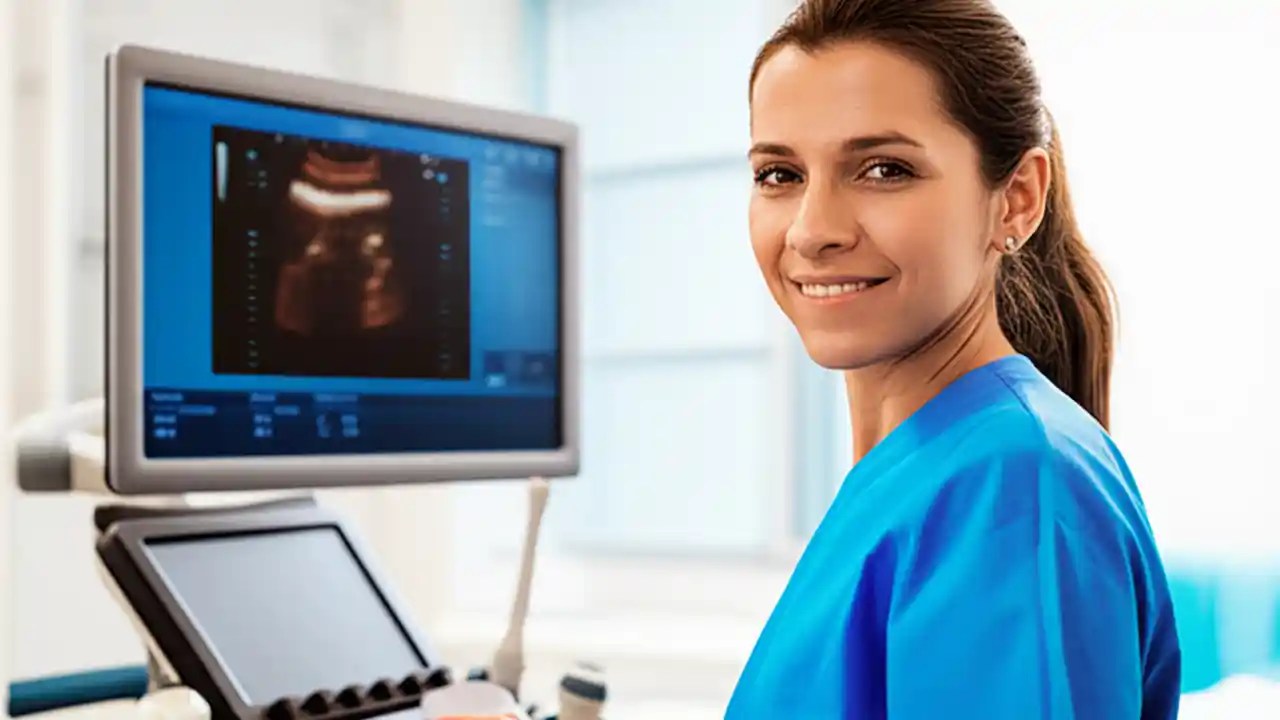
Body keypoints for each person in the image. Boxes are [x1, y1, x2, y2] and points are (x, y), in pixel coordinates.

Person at [725, 0, 1181, 717]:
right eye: (779, 174)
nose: (813, 232)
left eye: (883, 169)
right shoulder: (930, 468)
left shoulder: (1010, 484)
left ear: (1016, 200)